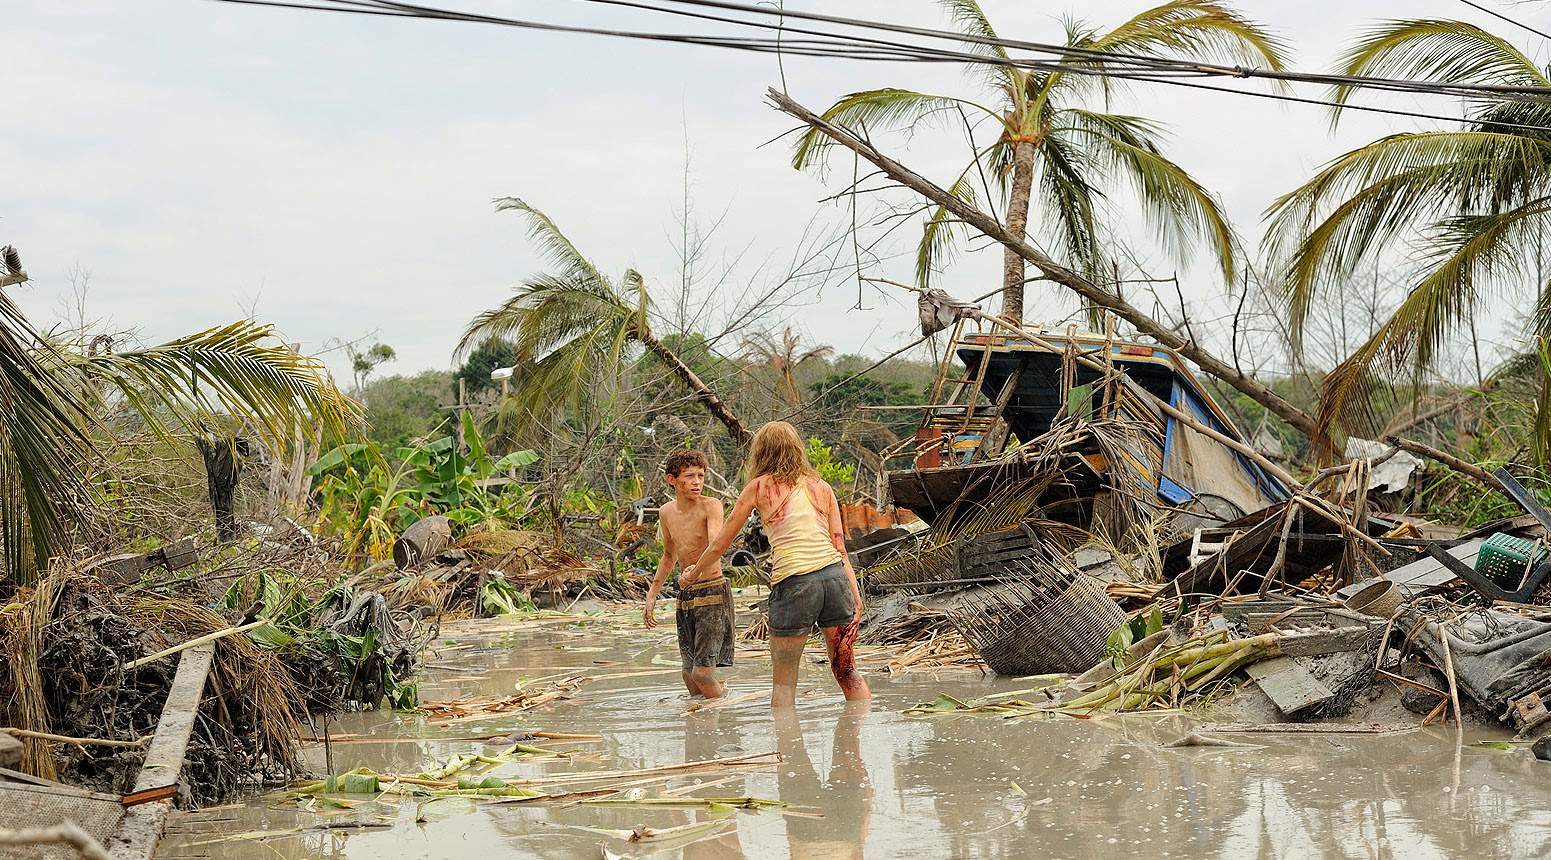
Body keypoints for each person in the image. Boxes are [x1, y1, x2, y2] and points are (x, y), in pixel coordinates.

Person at [686, 421, 870, 708]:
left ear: (761, 452)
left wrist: (693, 573)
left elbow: (721, 543)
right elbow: (840, 548)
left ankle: (786, 752)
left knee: (784, 684)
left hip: (795, 583)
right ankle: (855, 748)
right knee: (847, 672)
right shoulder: (822, 487)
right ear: (797, 449)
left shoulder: (759, 487)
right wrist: (856, 598)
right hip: (835, 580)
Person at [644, 448, 733, 699]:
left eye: (701, 476)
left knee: (702, 673)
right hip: (686, 595)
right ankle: (699, 727)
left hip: (712, 591)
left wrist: (695, 572)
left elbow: (716, 545)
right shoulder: (666, 512)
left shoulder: (711, 506)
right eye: (690, 476)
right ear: (672, 480)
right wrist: (652, 595)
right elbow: (669, 556)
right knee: (688, 674)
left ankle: (721, 717)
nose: (697, 482)